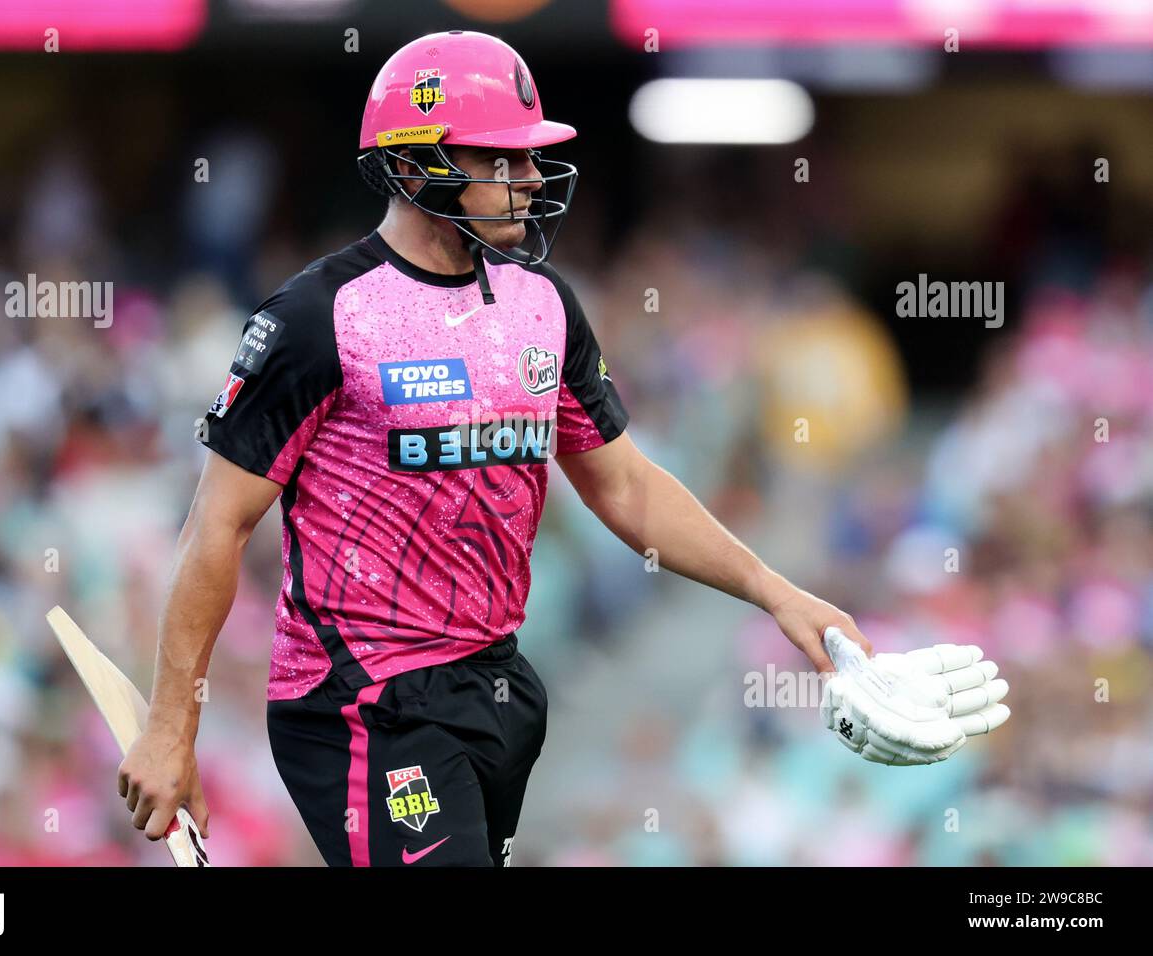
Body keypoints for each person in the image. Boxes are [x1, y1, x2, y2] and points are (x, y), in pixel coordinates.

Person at [118, 29, 871, 867]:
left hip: (501, 686)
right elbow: (215, 528)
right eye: (501, 161)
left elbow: (625, 487)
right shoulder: (314, 319)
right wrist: (169, 726)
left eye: (531, 159)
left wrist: (774, 591)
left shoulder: (546, 304)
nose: (531, 180)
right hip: (362, 700)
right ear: (415, 167)